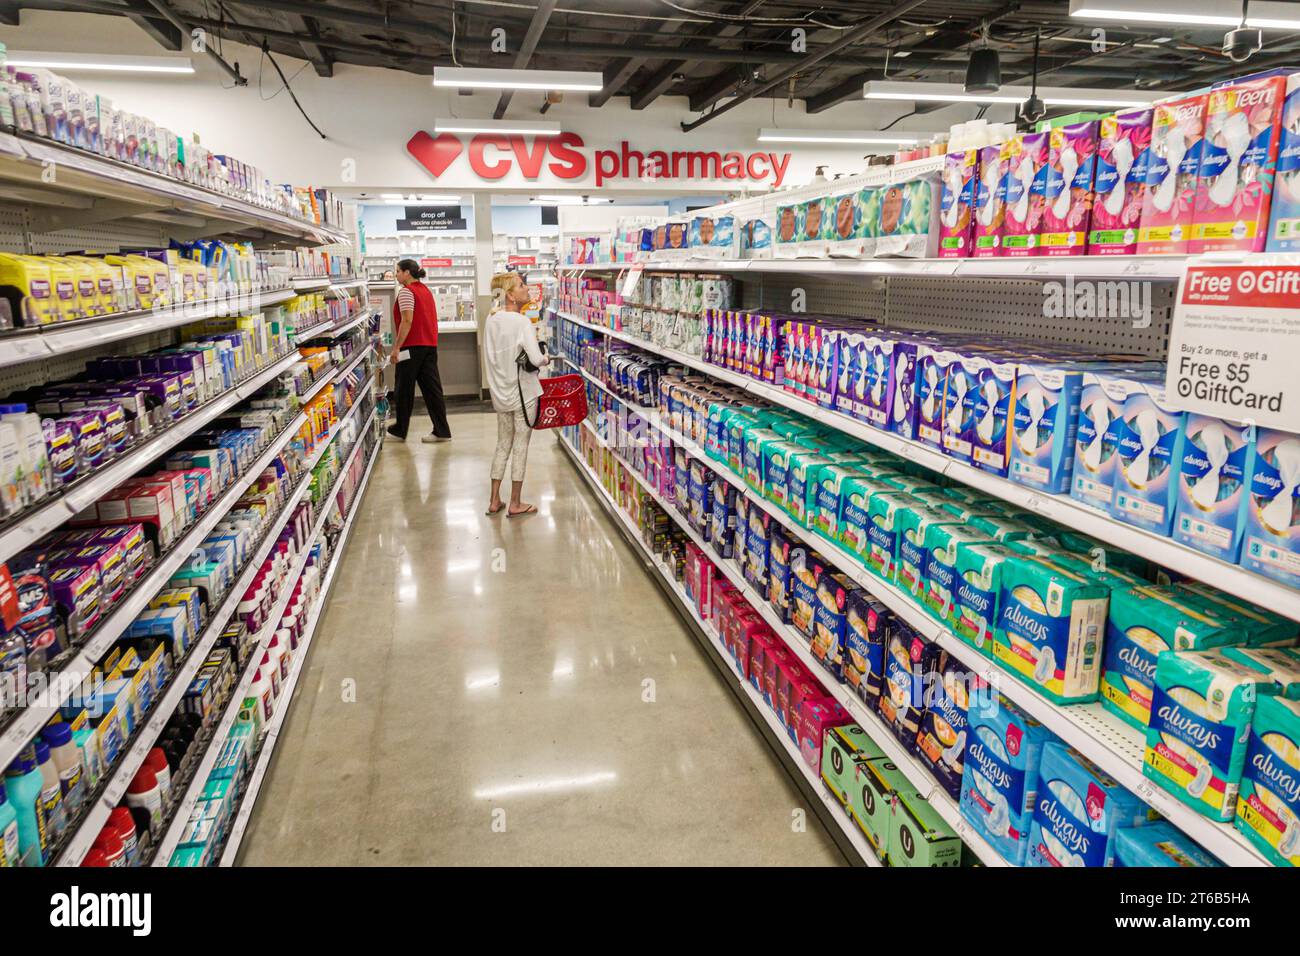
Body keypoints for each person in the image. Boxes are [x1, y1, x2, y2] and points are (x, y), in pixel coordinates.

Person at [483, 271, 548, 517]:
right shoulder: (521, 322)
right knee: (520, 446)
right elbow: (534, 358)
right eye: (521, 285)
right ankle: (515, 503)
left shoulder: (492, 319)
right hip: (523, 394)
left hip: (500, 394)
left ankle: (493, 499)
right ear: (510, 295)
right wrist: (545, 358)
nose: (526, 288)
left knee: (502, 444)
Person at [386, 258, 452, 444]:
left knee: (403, 389)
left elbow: (407, 321)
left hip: (411, 347)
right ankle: (442, 430)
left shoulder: (407, 292)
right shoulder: (425, 291)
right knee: (432, 390)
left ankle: (400, 428)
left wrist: (397, 348)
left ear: (407, 273)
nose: (396, 274)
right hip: (429, 346)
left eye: (398, 271)